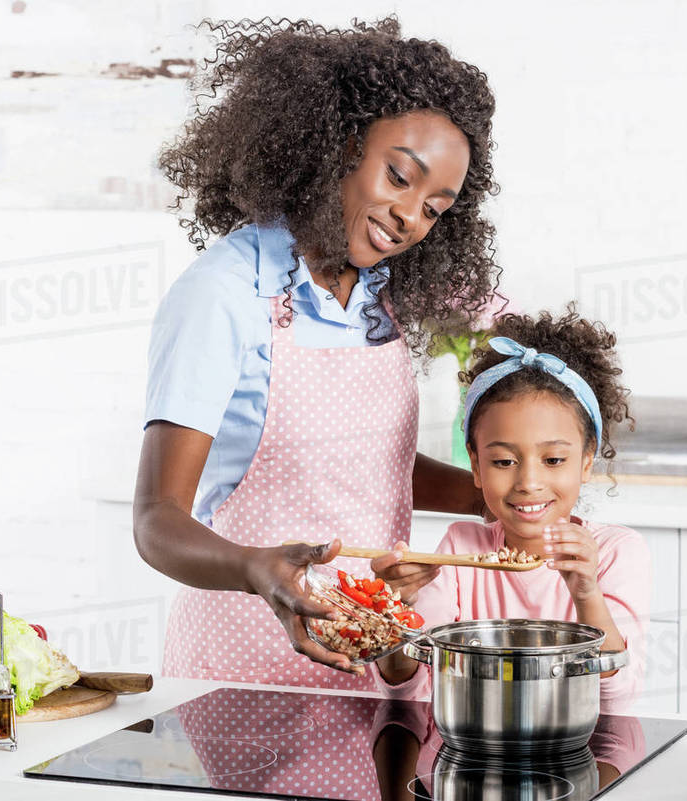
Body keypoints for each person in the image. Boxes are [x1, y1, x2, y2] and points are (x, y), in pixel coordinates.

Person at [132, 17, 500, 691]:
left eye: (435, 207)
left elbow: (366, 467)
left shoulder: (379, 295)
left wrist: (492, 495)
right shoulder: (225, 293)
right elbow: (157, 520)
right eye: (398, 176)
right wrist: (255, 569)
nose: (409, 216)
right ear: (338, 143)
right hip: (245, 673)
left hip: (375, 658)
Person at [373, 306, 651, 712]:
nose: (528, 482)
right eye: (504, 462)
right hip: (472, 747)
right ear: (476, 466)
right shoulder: (459, 550)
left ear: (587, 461)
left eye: (553, 460)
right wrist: (394, 612)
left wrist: (587, 591)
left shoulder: (615, 552)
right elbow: (409, 688)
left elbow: (616, 695)